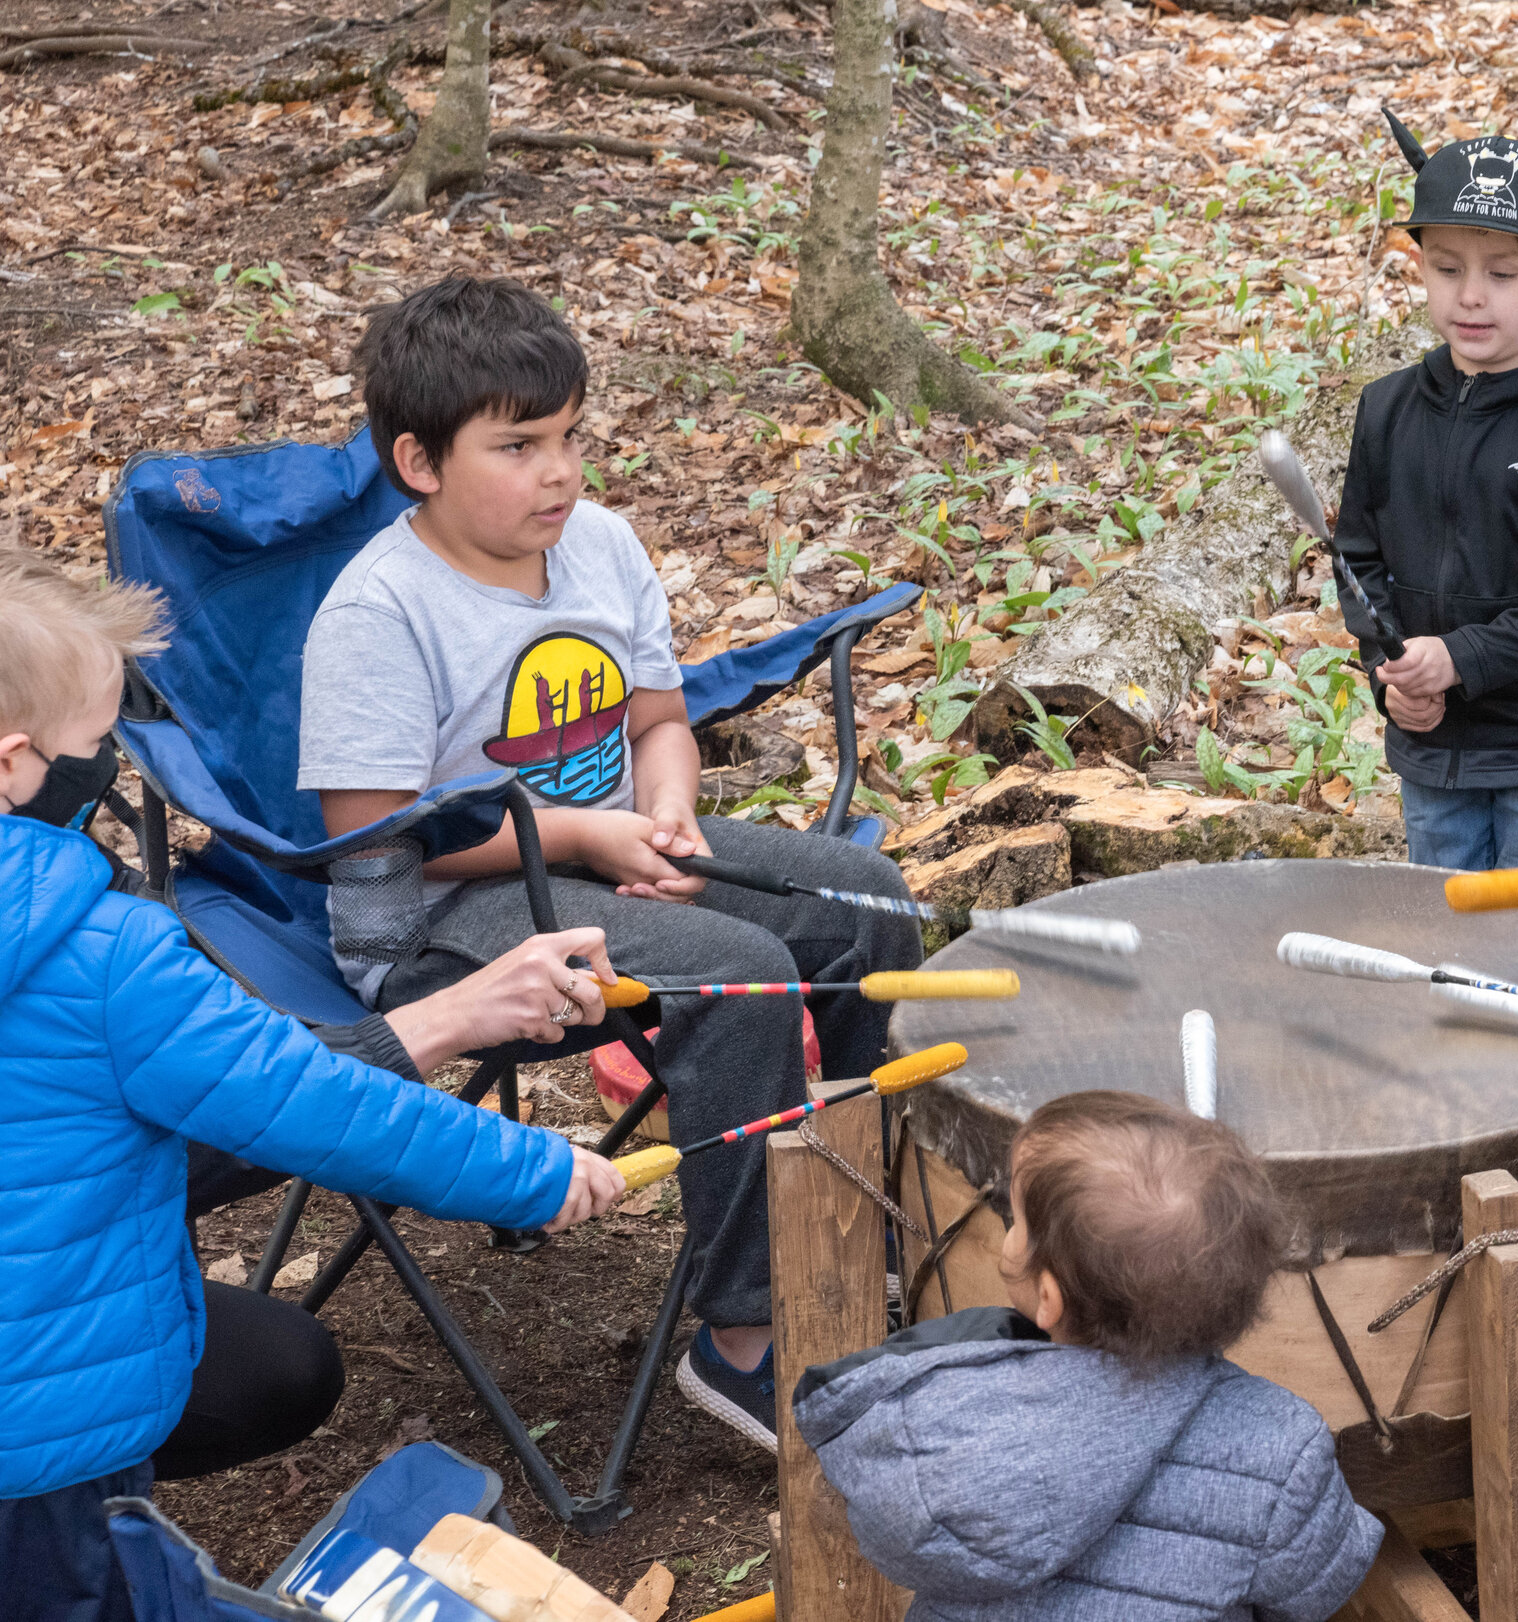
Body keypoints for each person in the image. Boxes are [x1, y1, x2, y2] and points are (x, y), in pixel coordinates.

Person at [298, 276, 925, 1450]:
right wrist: (585, 835)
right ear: (419, 461)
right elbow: (373, 836)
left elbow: (659, 722)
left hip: (601, 850)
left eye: (572, 435)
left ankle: (844, 1225)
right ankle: (742, 1337)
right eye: (519, 444)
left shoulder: (600, 546)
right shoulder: (380, 612)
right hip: (444, 912)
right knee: (735, 976)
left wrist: (672, 820)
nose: (560, 471)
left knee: (865, 905)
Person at [0, 551, 625, 1622]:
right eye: (96, 742)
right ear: (16, 764)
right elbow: (321, 1108)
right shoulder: (104, 954)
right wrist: (533, 1168)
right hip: (46, 1438)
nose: (105, 765)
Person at [794, 1091, 1382, 1620]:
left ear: (1047, 1298)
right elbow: (1317, 1589)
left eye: (1015, 1219)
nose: (1007, 1230)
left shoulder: (935, 1417)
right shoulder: (1283, 1448)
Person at [1333, 112, 1518, 871]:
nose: (1471, 296)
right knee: (1450, 936)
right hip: (1434, 752)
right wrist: (1392, 676)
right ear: (1418, 264)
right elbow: (1358, 561)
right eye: (1446, 267)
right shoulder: (1388, 408)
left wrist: (1461, 657)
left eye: (1502, 274)